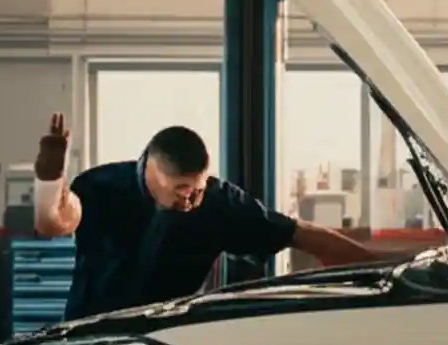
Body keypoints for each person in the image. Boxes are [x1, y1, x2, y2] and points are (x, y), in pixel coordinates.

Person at [33, 113, 378, 320]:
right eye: (181, 188)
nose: (191, 197)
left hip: (165, 344)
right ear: (154, 172)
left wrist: (380, 265)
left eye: (197, 187)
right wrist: (50, 176)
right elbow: (52, 222)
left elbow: (296, 233)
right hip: (90, 333)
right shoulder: (101, 187)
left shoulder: (218, 202)